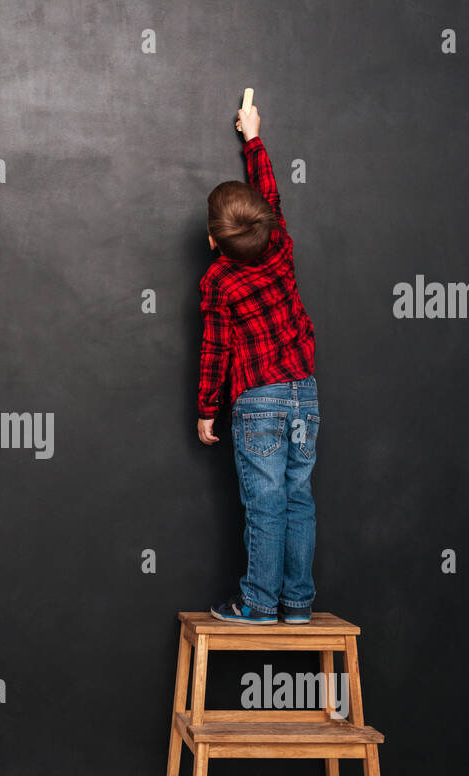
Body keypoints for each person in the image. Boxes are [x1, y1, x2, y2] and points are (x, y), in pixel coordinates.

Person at [197, 104, 319, 625]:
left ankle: (258, 603)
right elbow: (269, 195)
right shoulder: (281, 248)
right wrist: (254, 139)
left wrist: (207, 410)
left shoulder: (219, 281)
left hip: (258, 401)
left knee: (264, 504)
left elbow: (216, 351)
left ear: (212, 241)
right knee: (298, 499)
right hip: (304, 394)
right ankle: (297, 603)